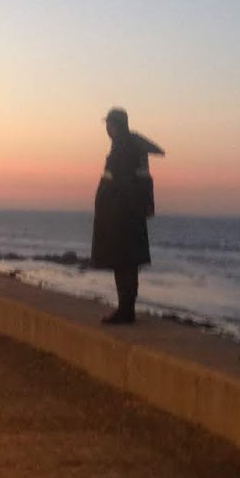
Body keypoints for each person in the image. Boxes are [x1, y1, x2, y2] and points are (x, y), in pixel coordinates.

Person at [90, 107, 164, 325]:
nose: (106, 129)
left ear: (115, 125)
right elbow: (143, 180)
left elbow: (123, 182)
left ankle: (125, 310)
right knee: (128, 263)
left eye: (108, 125)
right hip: (131, 212)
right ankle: (127, 309)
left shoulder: (124, 148)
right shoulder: (134, 147)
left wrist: (111, 205)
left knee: (123, 263)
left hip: (122, 214)